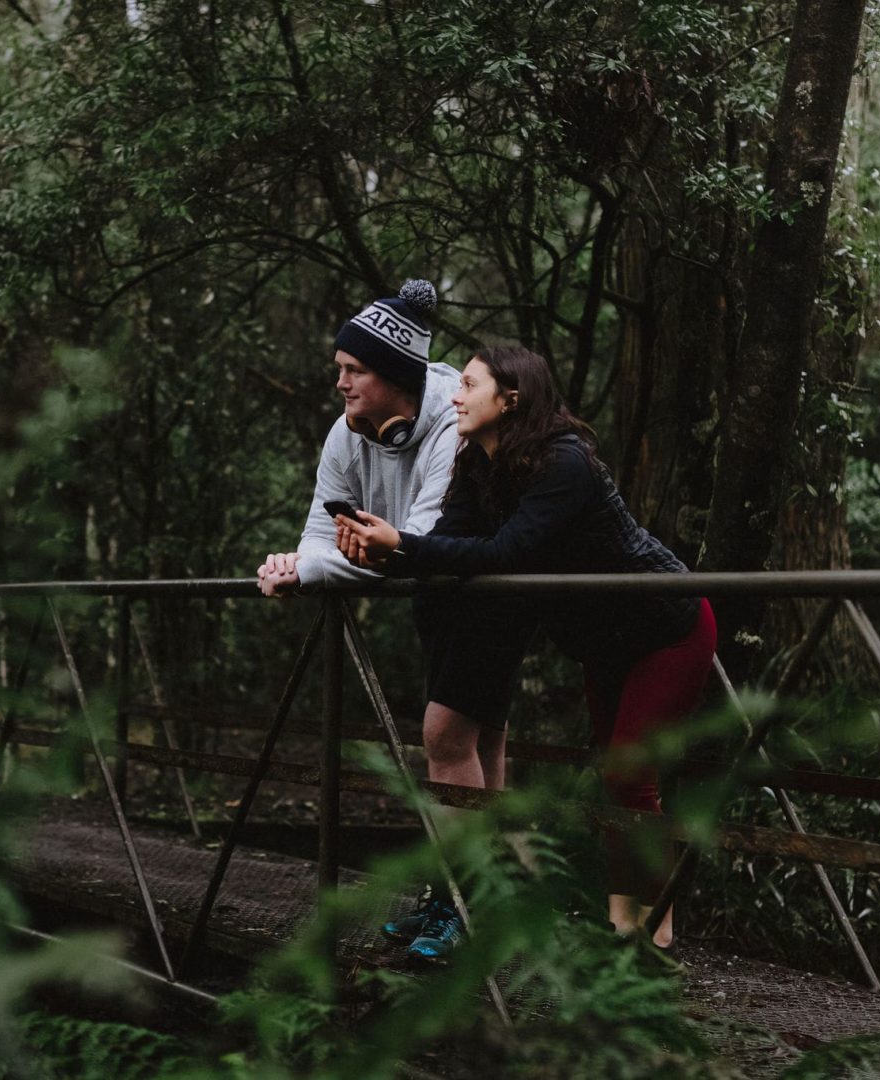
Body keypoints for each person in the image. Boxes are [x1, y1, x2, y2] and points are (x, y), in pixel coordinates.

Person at [336, 344, 716, 951]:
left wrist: (402, 544)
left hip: (665, 626)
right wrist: (388, 547)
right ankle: (624, 923)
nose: (454, 396)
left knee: (630, 775)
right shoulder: (477, 462)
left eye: (468, 384)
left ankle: (653, 934)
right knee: (618, 778)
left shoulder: (565, 463)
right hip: (601, 642)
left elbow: (508, 553)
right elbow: (451, 540)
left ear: (509, 399)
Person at [255, 279, 459, 598]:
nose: (341, 383)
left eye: (356, 370)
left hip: (485, 596)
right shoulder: (345, 431)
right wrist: (293, 565)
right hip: (426, 596)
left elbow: (417, 542)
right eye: (339, 368)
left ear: (397, 378)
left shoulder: (457, 429)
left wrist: (309, 570)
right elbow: (321, 533)